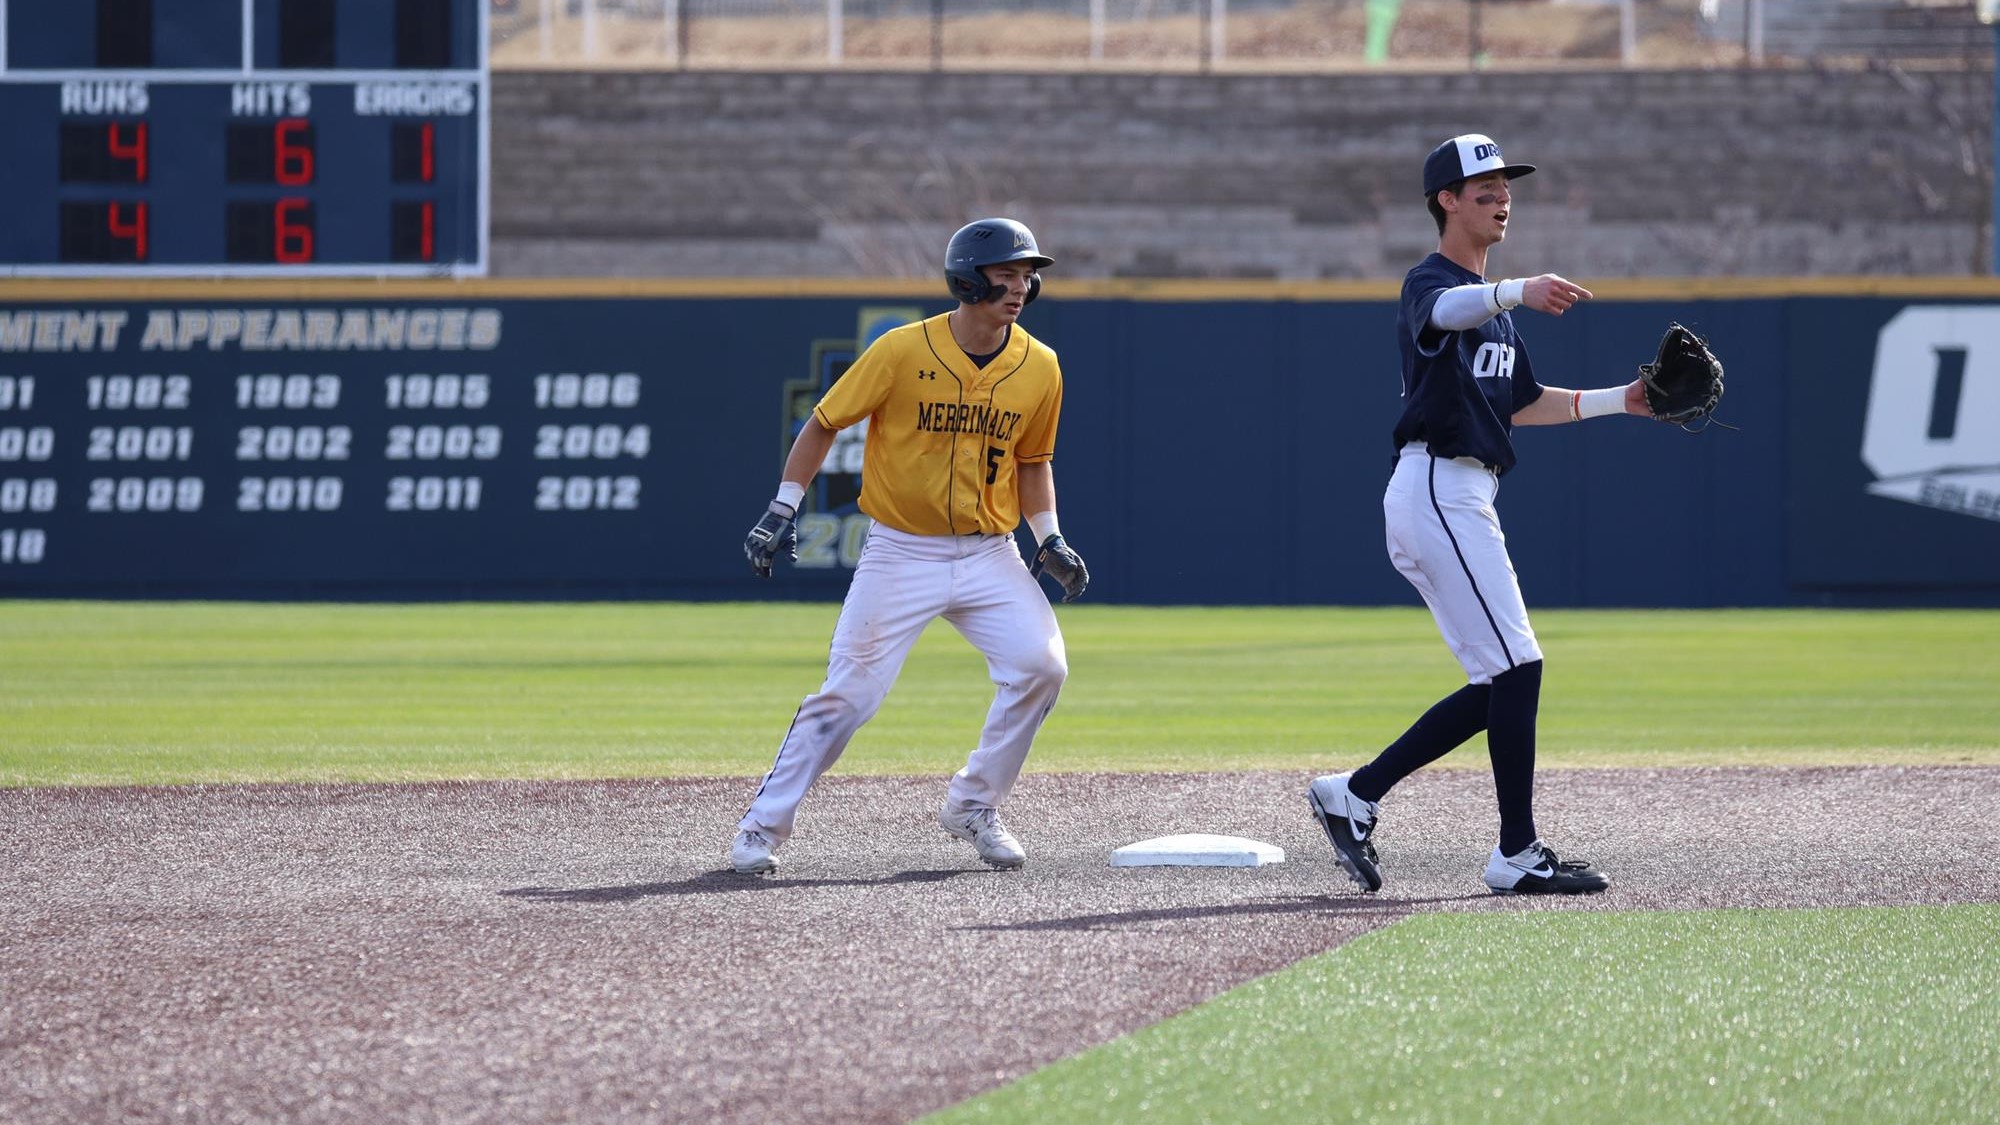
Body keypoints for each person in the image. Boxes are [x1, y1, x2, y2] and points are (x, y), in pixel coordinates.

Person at [1308, 134, 1653, 896]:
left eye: (1506, 185)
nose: (1502, 197)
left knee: (1503, 676)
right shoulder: (1431, 284)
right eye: (1484, 185)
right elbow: (1448, 310)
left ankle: (1354, 793)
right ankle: (1516, 851)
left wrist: (1621, 402)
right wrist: (1516, 289)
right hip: (1435, 483)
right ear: (1446, 200)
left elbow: (1525, 404)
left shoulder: (1499, 319)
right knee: (1518, 666)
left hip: (1464, 492)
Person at [731, 217, 1090, 876]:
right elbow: (824, 422)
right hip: (902, 552)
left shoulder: (1040, 366)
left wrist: (1050, 537)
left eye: (1026, 277)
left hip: (990, 552)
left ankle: (974, 804)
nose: (1019, 287)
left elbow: (1034, 461)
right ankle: (761, 827)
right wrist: (782, 507)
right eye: (1004, 274)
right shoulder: (901, 350)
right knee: (850, 697)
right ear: (966, 278)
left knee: (1042, 666)